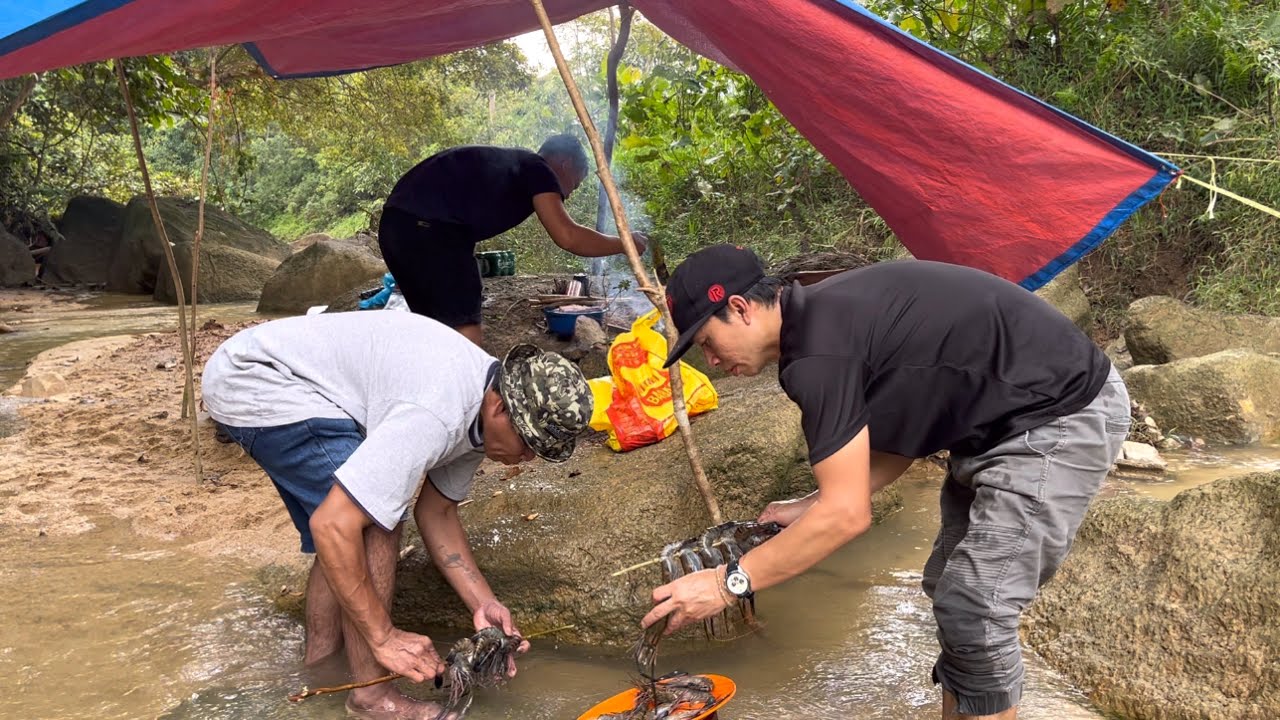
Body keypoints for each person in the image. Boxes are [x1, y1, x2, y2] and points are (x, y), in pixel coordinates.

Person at [642, 245, 1130, 720]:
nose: (710, 361)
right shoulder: (819, 319)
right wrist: (813, 502)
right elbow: (899, 438)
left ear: (740, 308)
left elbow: (849, 515)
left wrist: (729, 585)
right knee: (948, 588)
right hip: (993, 426)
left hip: (1058, 414)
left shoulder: (819, 354)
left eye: (705, 342)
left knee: (977, 607)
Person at [201, 311, 592, 720]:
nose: (527, 458)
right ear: (499, 407)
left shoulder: (483, 405)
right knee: (371, 521)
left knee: (358, 516)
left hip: (283, 379)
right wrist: (383, 638)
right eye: (528, 443)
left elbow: (437, 512)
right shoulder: (437, 410)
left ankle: (321, 671)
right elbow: (334, 525)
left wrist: (484, 603)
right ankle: (372, 700)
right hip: (259, 378)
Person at [378, 135, 647, 346]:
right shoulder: (539, 168)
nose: (570, 194)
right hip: (430, 229)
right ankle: (472, 408)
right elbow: (568, 236)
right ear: (565, 164)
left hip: (396, 226)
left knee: (436, 328)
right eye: (574, 185)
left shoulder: (519, 166)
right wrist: (625, 243)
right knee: (464, 327)